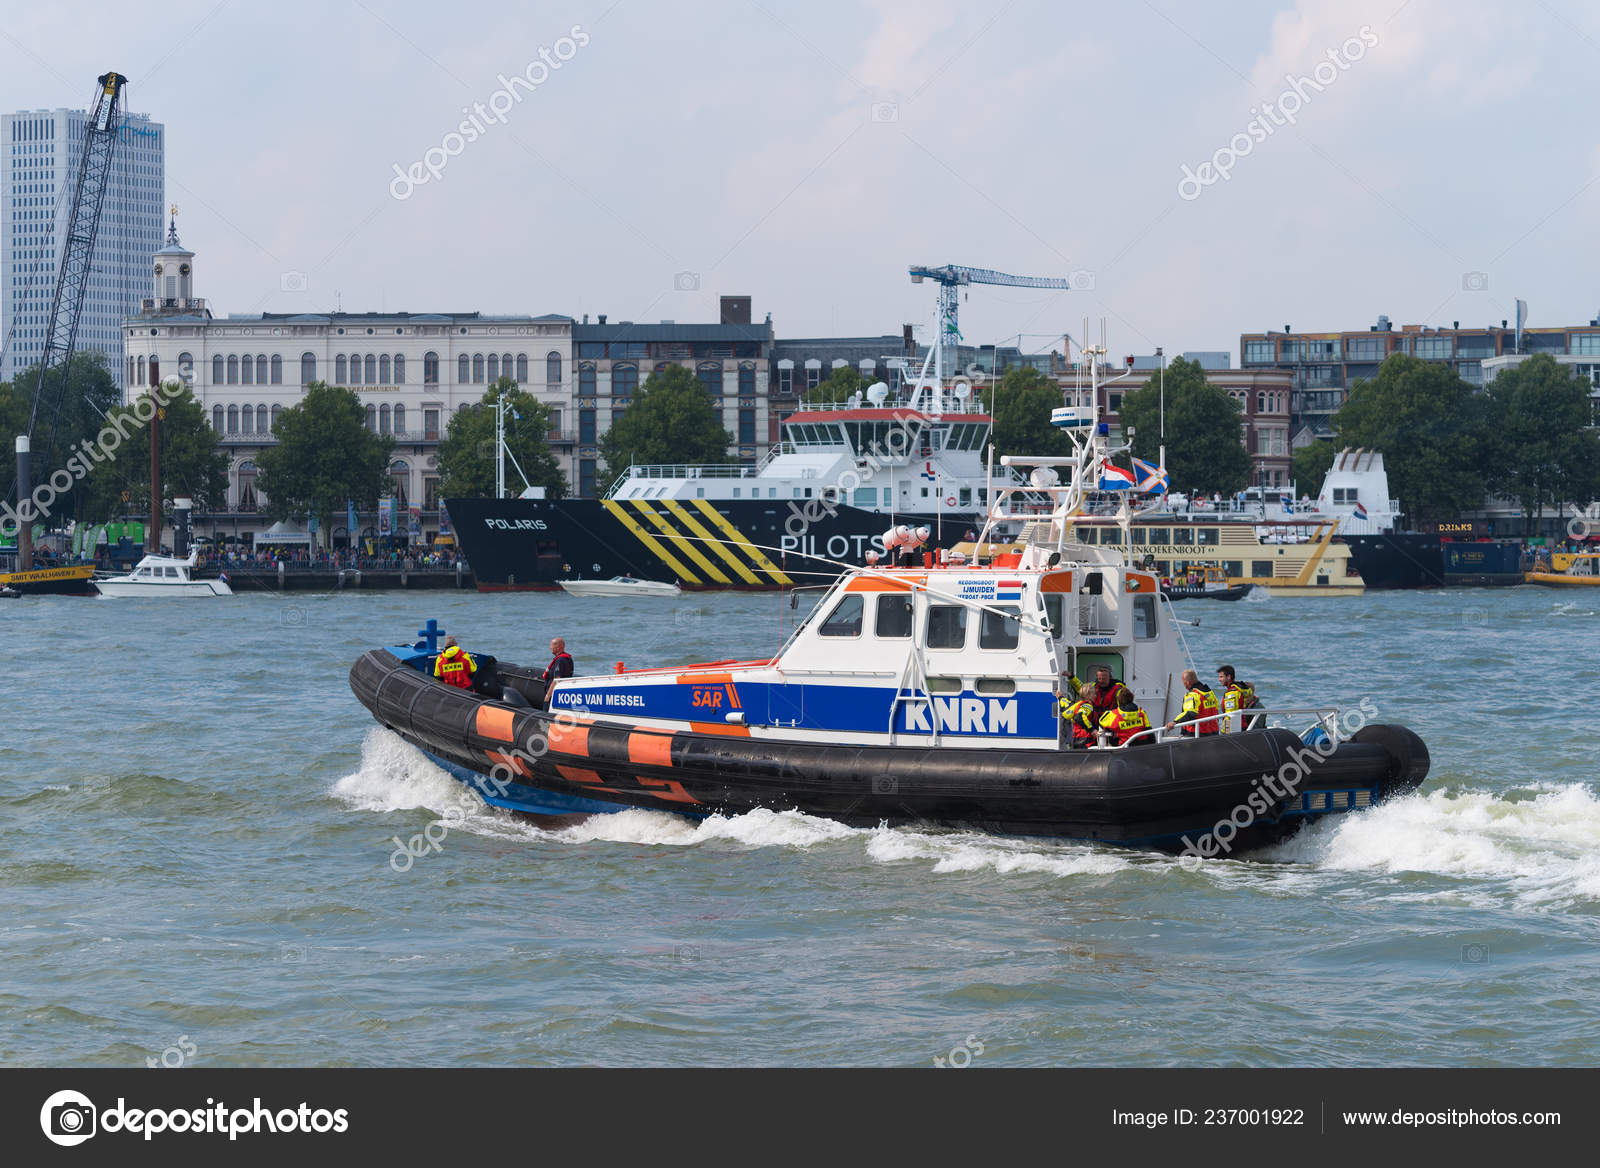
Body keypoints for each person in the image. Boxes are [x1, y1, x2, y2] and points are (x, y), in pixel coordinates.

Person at [1164, 669, 1219, 737]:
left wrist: (1174, 722)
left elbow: (1190, 713)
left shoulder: (1193, 694)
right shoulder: (1210, 692)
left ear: (1187, 682)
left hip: (1197, 733)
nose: (1184, 684)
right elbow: (1216, 709)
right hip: (1214, 732)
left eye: (1183, 682)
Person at [1216, 664, 1262, 733]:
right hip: (1241, 726)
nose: (1219, 679)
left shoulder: (1232, 693)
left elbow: (1230, 715)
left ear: (1228, 677)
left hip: (1234, 729)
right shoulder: (1239, 689)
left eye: (1221, 677)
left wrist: (1225, 731)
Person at [1059, 676, 1097, 748]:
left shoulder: (1077, 704)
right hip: (1085, 738)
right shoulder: (1087, 706)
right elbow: (1080, 716)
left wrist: (1060, 697)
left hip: (1075, 737)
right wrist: (1092, 730)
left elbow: (1065, 704)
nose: (1095, 696)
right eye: (1094, 694)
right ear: (1088, 695)